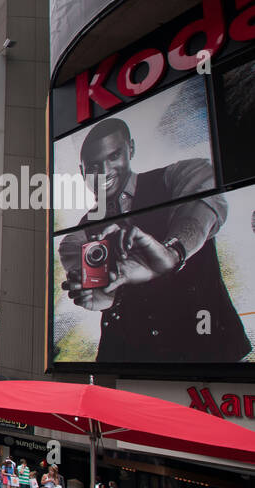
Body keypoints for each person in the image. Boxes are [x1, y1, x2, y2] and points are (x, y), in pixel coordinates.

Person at [58, 117, 248, 363]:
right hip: (127, 362)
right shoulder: (78, 236)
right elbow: (103, 296)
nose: (104, 173)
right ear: (82, 172)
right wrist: (100, 297)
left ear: (131, 149)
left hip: (212, 355)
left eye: (114, 156)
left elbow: (201, 207)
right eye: (94, 167)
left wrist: (172, 251)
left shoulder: (182, 176)